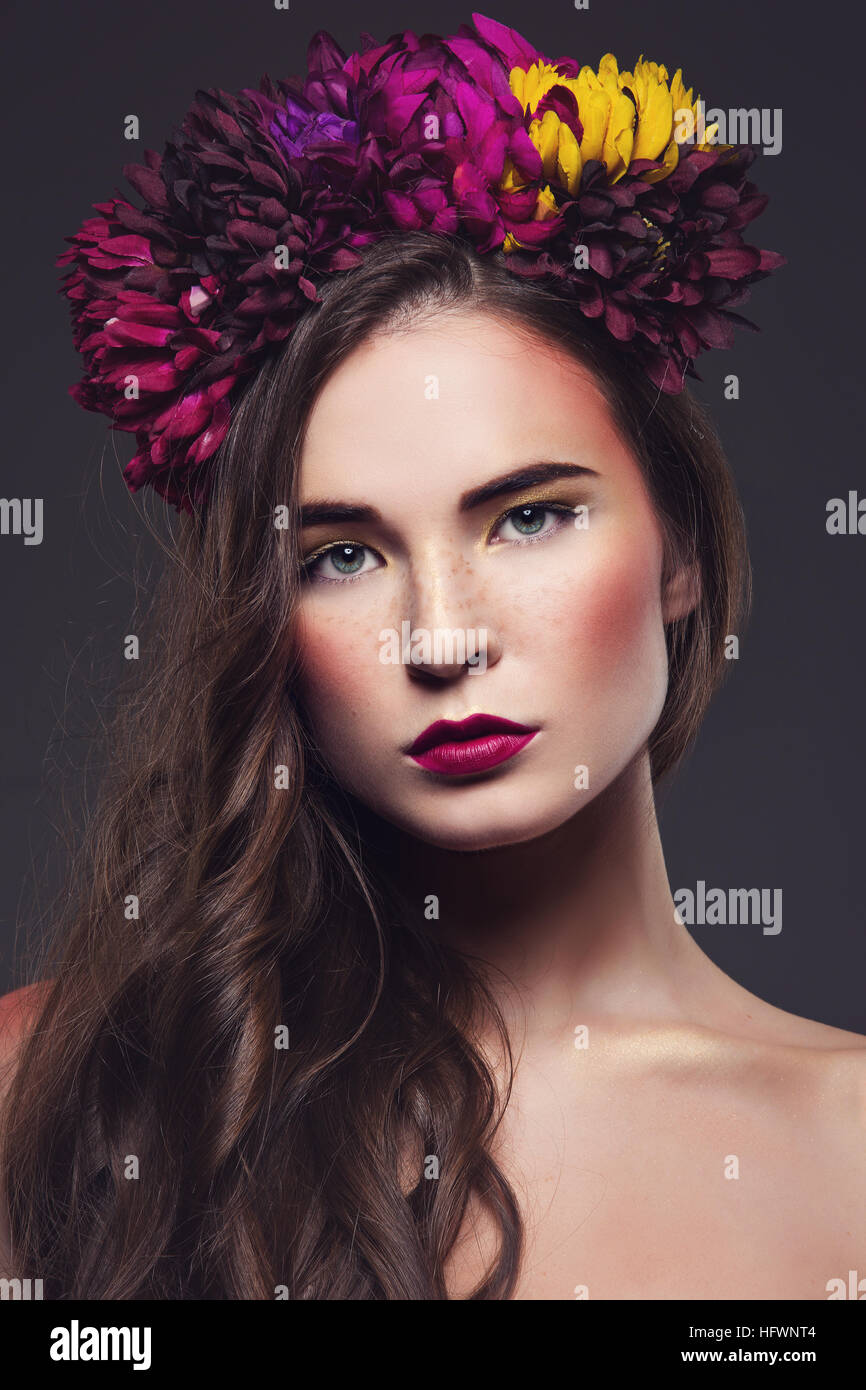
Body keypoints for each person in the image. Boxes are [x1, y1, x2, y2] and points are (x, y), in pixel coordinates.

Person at [3, 14, 862, 1300]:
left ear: (678, 551)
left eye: (528, 517)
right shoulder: (51, 1089)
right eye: (341, 554)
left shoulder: (846, 1146)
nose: (442, 637)